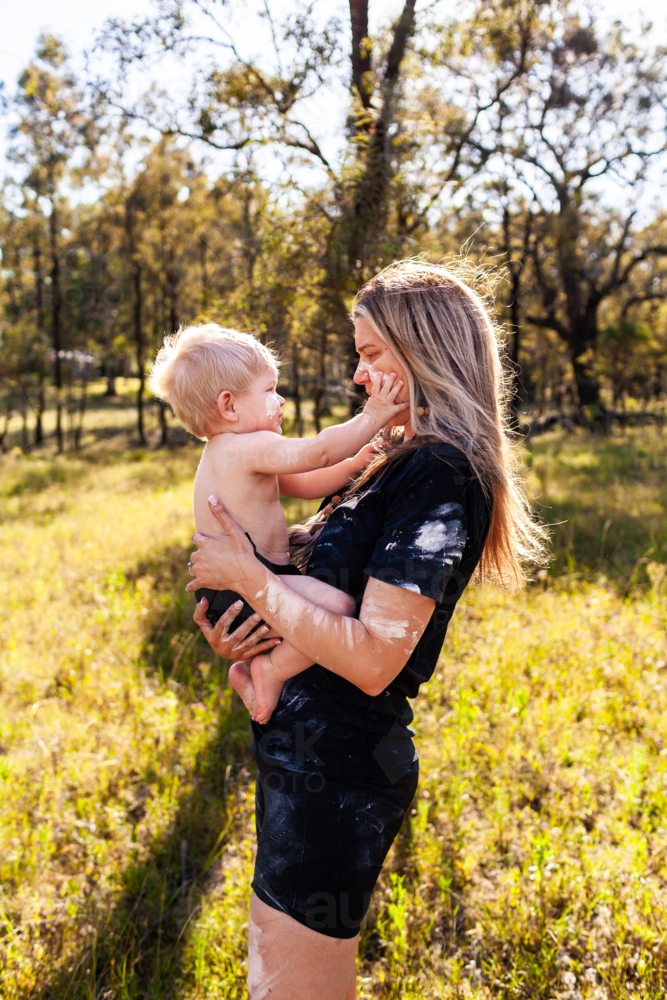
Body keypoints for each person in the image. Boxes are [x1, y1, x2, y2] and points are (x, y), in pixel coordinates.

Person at [186, 261, 546, 1000]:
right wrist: (248, 634)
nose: (358, 374)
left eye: (373, 353)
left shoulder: (438, 474)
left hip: (340, 773)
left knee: (290, 990)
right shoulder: (395, 464)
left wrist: (248, 578)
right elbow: (313, 589)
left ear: (426, 351)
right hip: (301, 759)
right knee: (271, 981)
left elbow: (378, 659)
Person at [150, 323, 405, 724]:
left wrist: (357, 463)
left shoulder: (229, 454)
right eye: (270, 391)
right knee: (339, 606)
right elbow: (318, 453)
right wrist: (372, 416)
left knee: (323, 610)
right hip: (249, 579)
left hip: (241, 581)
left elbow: (306, 483)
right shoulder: (244, 447)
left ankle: (259, 666)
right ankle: (270, 670)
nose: (280, 399)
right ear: (229, 406)